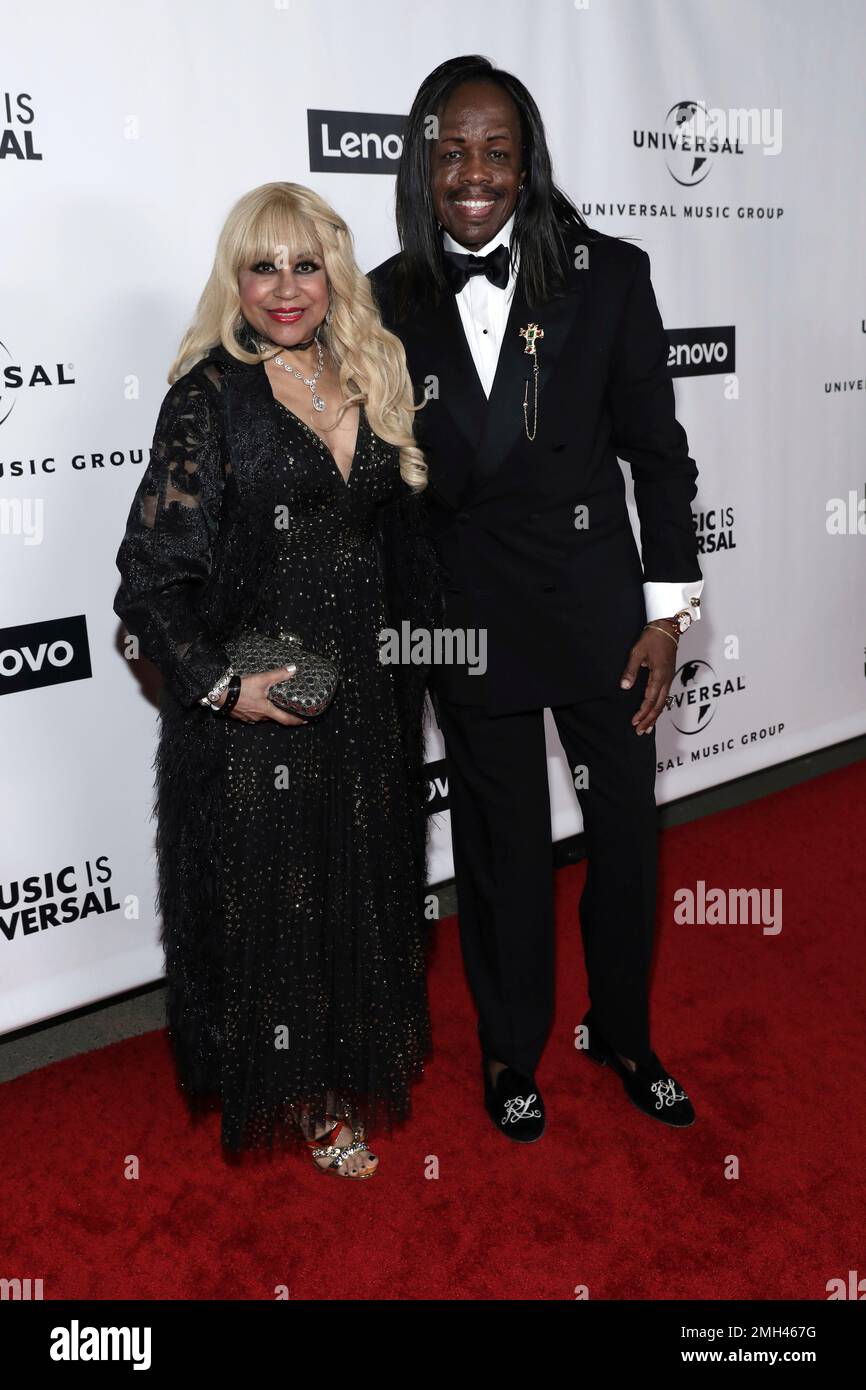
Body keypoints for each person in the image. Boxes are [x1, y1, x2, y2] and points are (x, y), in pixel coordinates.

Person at [369, 56, 703, 1142]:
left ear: (527, 161)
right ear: (422, 163)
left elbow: (658, 457)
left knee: (624, 838)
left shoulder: (609, 274)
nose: (473, 171)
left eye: (496, 150)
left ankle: (621, 1031)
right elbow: (379, 493)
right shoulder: (382, 300)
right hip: (467, 621)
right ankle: (512, 1052)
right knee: (501, 852)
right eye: (451, 149)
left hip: (600, 611)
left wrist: (666, 618)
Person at [113, 182, 440, 1176]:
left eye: (305, 264)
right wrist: (225, 686)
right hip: (265, 697)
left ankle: (344, 1060)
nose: (285, 288)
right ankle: (304, 1093)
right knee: (279, 905)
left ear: (334, 272)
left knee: (361, 883)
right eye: (263, 266)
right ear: (236, 280)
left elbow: (392, 537)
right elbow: (148, 578)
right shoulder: (208, 396)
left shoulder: (370, 370)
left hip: (371, 692)